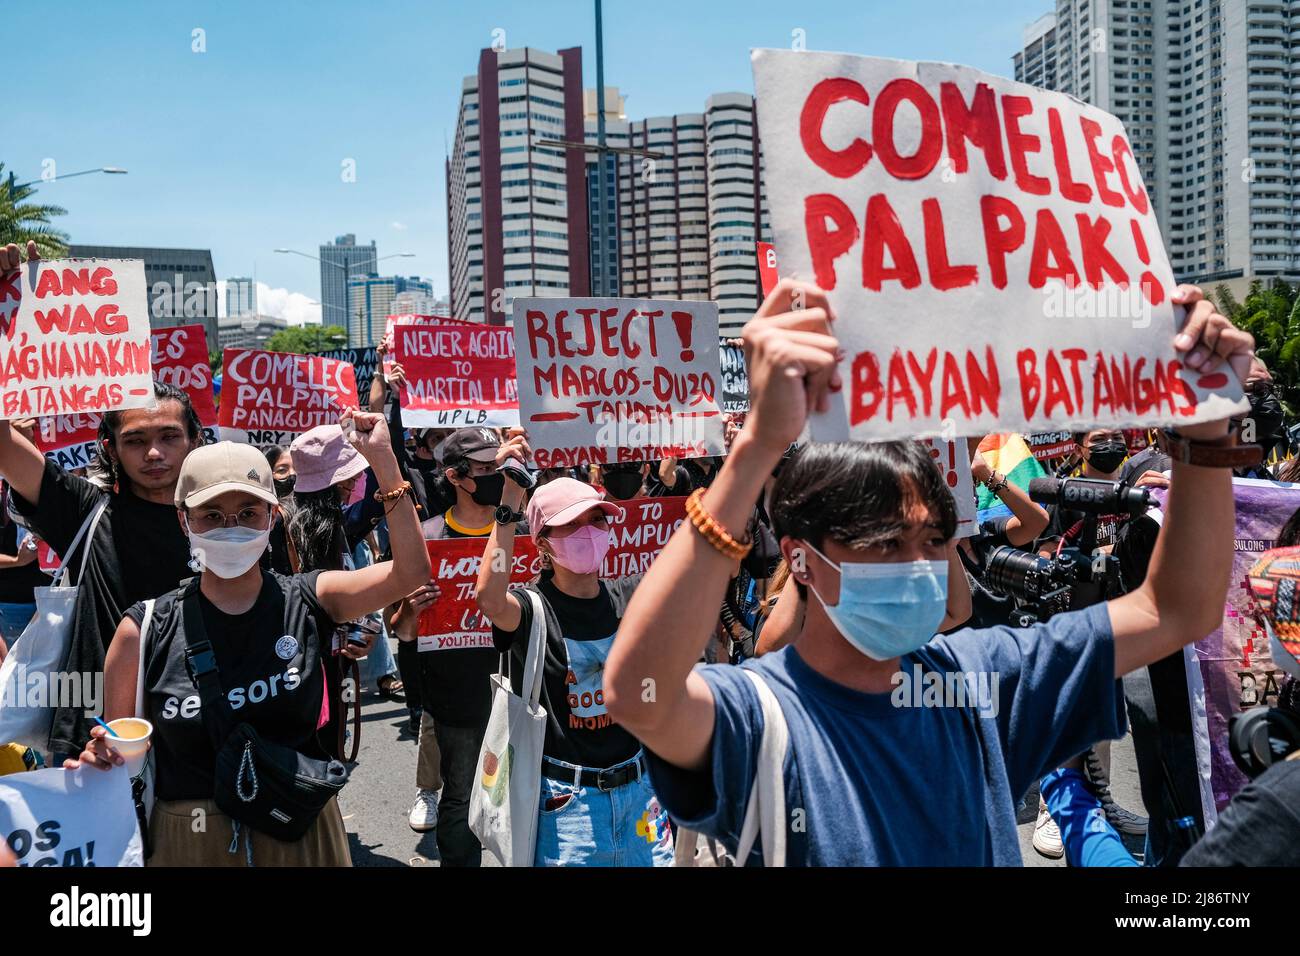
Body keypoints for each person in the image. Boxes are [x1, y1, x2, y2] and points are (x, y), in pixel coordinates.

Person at [603, 278, 1256, 866]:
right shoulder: (765, 718)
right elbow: (641, 694)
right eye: (887, 544)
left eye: (933, 541)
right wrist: (756, 448)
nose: (918, 566)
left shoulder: (979, 683)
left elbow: (1176, 610)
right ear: (801, 558)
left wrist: (1205, 439)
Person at [65, 412, 431, 866]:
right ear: (185, 522)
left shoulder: (311, 597)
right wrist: (99, 759)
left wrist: (384, 463)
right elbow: (120, 755)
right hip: (190, 844)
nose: (230, 527)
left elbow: (410, 573)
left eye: (248, 513)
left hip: (299, 833)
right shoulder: (142, 630)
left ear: (273, 518)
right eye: (212, 516)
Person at [475, 476, 673, 866]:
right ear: (543, 541)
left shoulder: (630, 594)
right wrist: (508, 505)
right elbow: (489, 598)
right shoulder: (531, 610)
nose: (589, 531)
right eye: (573, 523)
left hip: (640, 798)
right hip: (568, 808)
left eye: (598, 519)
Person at [390, 425, 527, 861]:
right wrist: (410, 611)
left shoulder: (522, 532)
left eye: (498, 467)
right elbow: (403, 630)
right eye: (485, 468)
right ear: (454, 476)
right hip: (455, 699)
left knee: (524, 799)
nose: (495, 475)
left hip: (519, 690)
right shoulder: (427, 539)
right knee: (461, 800)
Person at [955, 443, 1051, 630]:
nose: (966, 492)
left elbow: (1038, 520)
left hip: (1004, 650)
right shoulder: (934, 551)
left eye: (971, 483)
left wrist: (985, 472)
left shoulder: (988, 532)